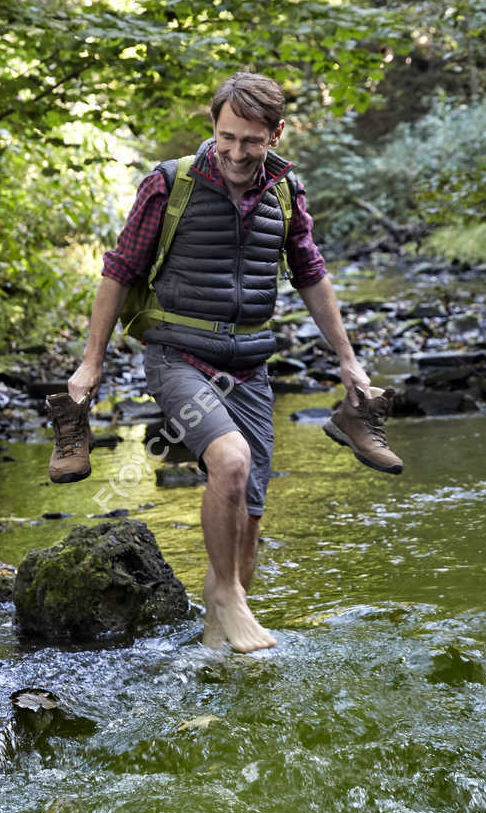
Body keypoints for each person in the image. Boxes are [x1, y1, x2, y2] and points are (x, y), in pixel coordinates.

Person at [59, 71, 400, 653]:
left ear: (276, 133)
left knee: (253, 511)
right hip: (178, 356)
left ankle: (219, 640)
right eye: (227, 137)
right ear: (213, 126)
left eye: (252, 140)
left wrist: (350, 363)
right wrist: (91, 364)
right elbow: (118, 270)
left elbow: (311, 273)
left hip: (250, 367)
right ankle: (223, 598)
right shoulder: (170, 185)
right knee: (232, 461)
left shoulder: (285, 193)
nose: (238, 153)